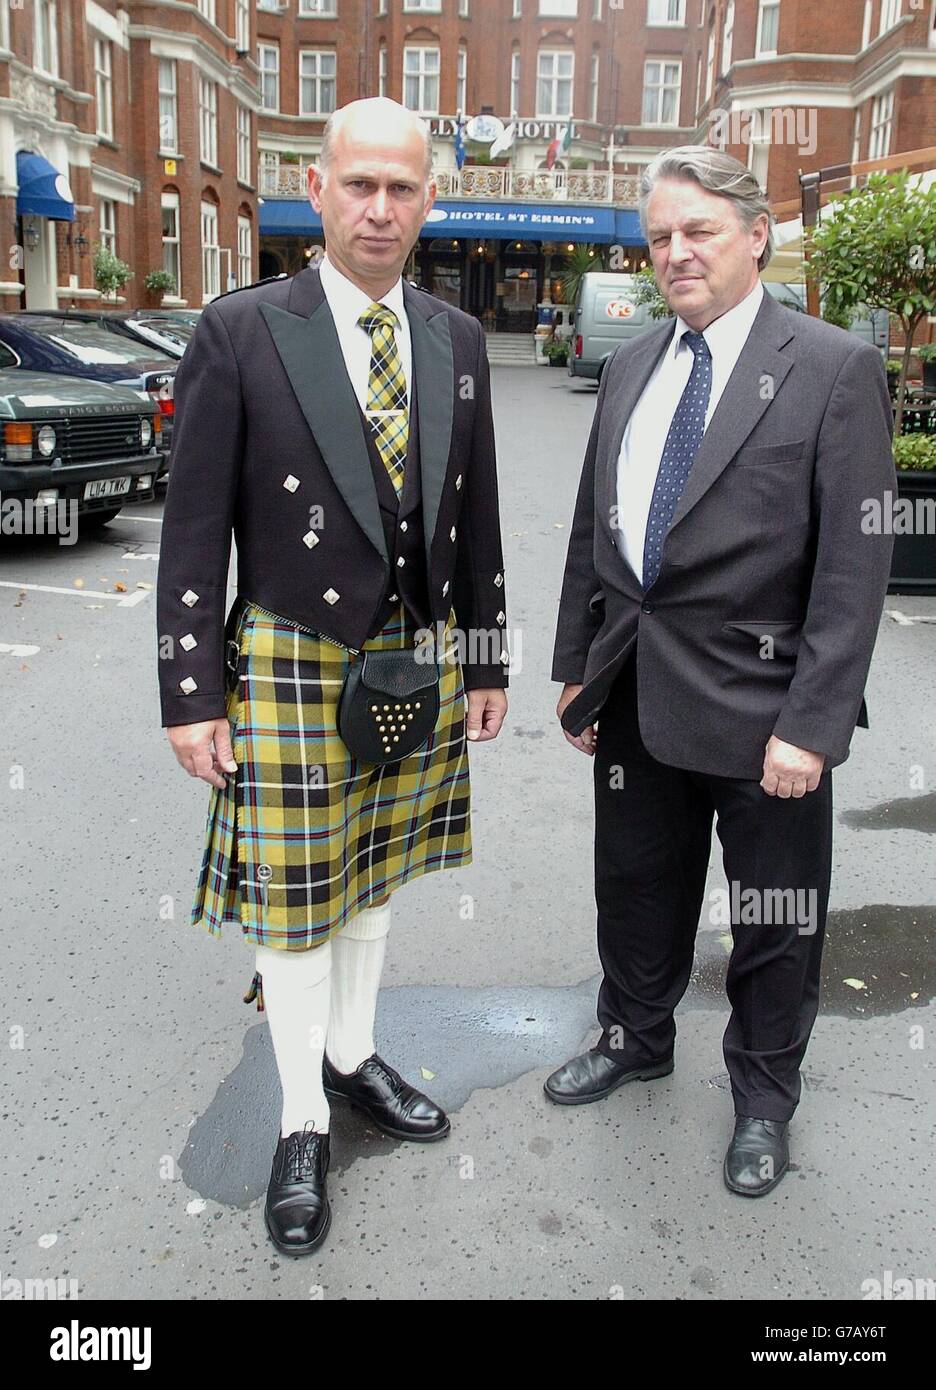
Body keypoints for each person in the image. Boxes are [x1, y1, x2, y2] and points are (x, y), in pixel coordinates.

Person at [156, 97, 509, 1254]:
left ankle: (353, 1056)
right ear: (319, 189)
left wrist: (489, 654)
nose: (380, 207)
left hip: (417, 648)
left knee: (378, 875)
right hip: (295, 655)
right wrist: (191, 690)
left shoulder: (455, 339)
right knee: (301, 899)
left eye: (402, 187)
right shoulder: (246, 329)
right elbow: (194, 526)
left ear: (428, 198)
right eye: (359, 185)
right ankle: (302, 1115)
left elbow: (477, 515)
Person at [547, 145, 895, 1196]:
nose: (676, 253)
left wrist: (814, 725)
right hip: (638, 692)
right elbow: (591, 534)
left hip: (766, 712)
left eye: (698, 230)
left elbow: (854, 566)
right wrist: (576, 665)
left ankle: (763, 1097)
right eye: (659, 236)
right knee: (636, 890)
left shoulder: (833, 368)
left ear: (757, 235)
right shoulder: (631, 366)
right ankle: (636, 1034)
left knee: (775, 920)